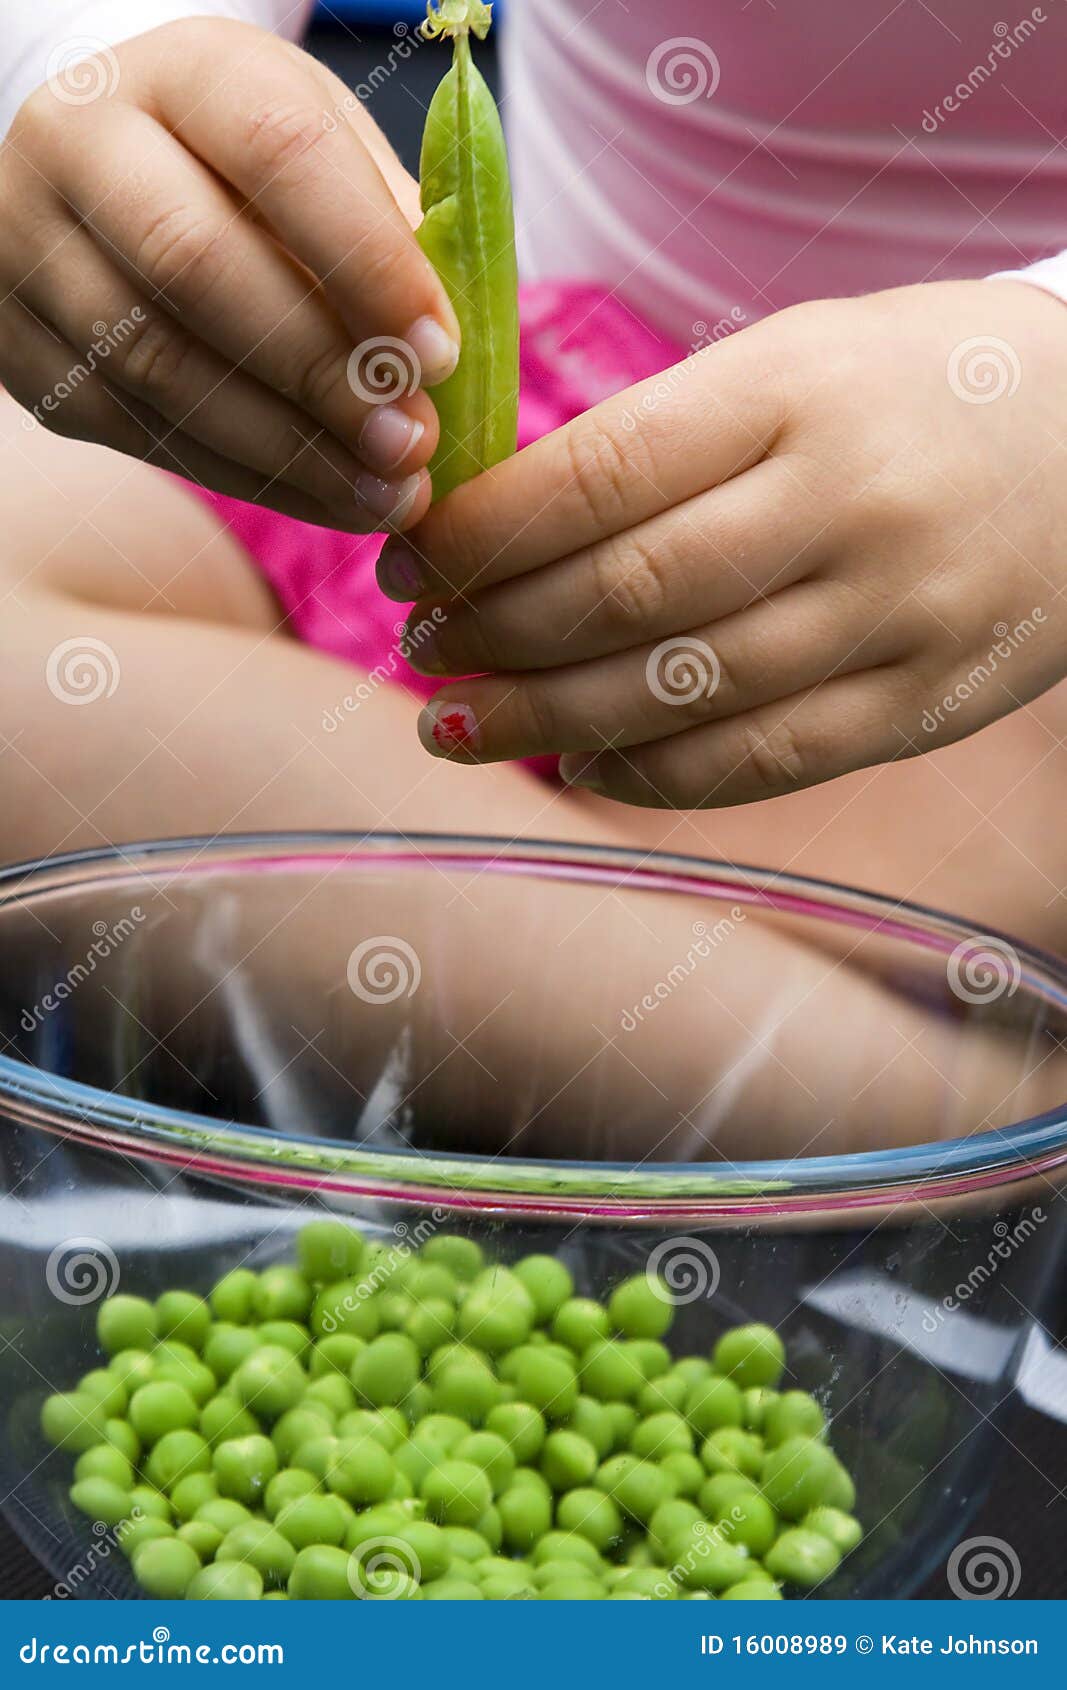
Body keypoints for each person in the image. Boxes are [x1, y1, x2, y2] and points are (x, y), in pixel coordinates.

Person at [0, 4, 1065, 1160]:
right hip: (494, 417)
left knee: (948, 771)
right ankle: (953, 1118)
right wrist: (81, 75)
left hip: (1011, 513)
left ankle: (910, 1105)